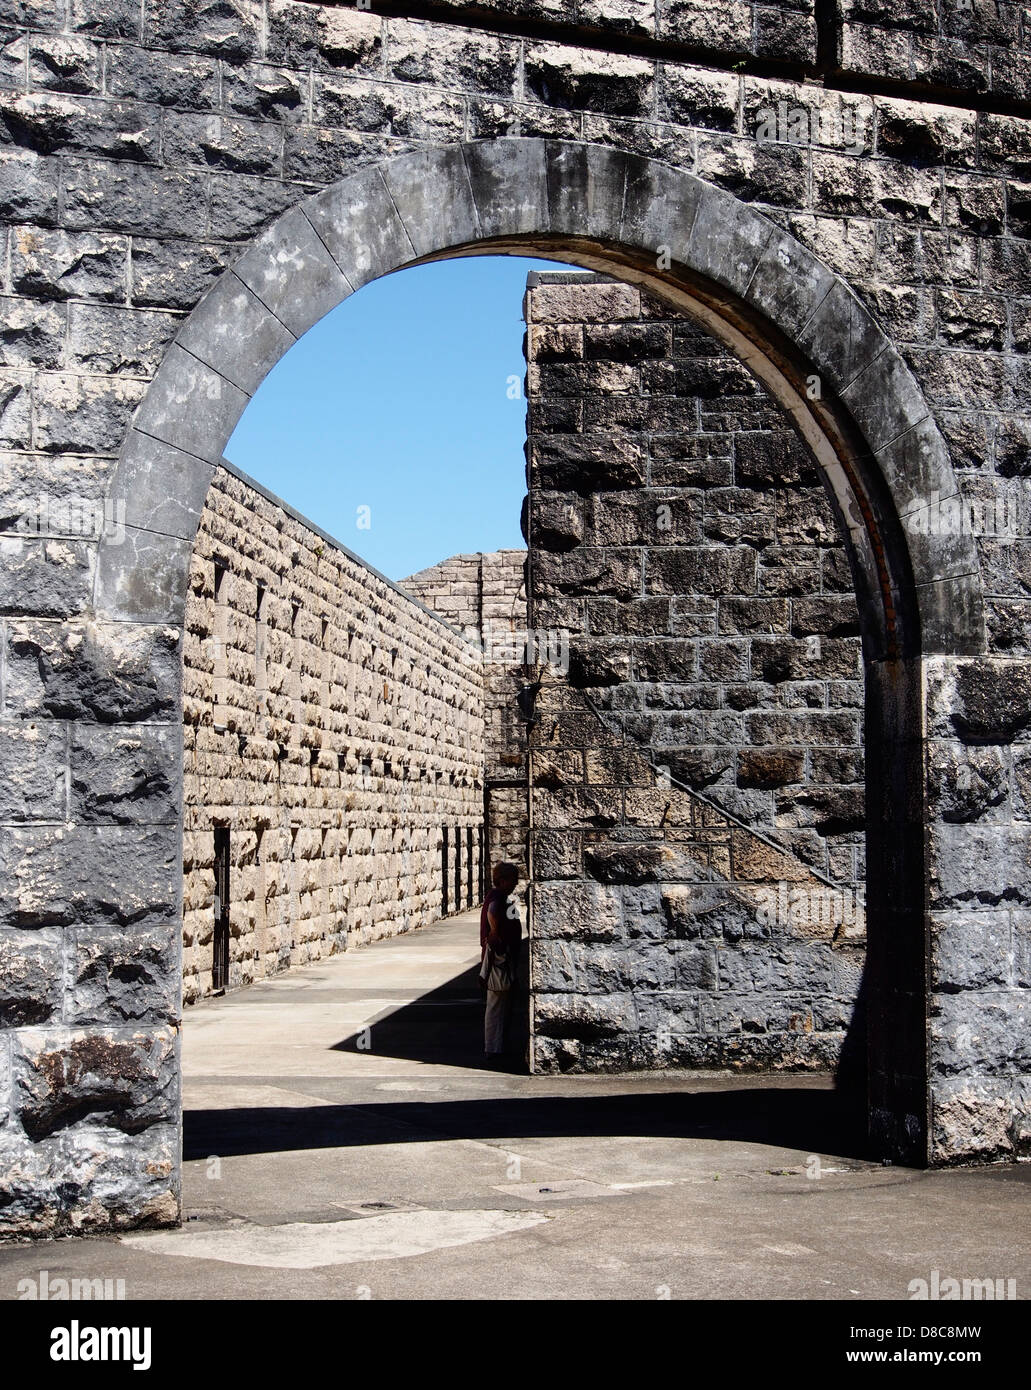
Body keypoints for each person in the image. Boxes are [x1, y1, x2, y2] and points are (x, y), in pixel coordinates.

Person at [479, 861, 521, 1061]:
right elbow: (492, 912)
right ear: (503, 880)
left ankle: (498, 1046)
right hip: (498, 960)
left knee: (500, 1005)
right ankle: (494, 1049)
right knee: (497, 1005)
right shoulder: (497, 897)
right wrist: (495, 932)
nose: (516, 884)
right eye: (513, 880)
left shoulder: (499, 897)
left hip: (501, 957)